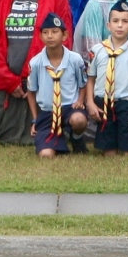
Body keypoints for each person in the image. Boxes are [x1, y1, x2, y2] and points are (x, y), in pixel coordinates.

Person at [0, 0, 72, 147]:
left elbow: (65, 39)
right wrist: (8, 80)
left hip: (44, 78)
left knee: (46, 135)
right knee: (7, 137)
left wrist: (50, 75)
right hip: (11, 83)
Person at [83, 0, 128, 156]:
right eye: (115, 21)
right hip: (103, 104)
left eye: (125, 21)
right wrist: (90, 102)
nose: (120, 25)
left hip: (126, 104)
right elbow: (90, 79)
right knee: (109, 154)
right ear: (108, 25)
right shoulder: (97, 50)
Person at [25, 12, 87, 157]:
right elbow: (31, 92)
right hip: (48, 112)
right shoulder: (35, 63)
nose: (50, 36)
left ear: (64, 36)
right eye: (45, 32)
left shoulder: (75, 59)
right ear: (40, 37)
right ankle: (57, 141)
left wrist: (80, 100)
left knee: (79, 120)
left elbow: (82, 84)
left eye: (54, 32)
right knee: (46, 155)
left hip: (69, 108)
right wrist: (35, 118)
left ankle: (76, 138)